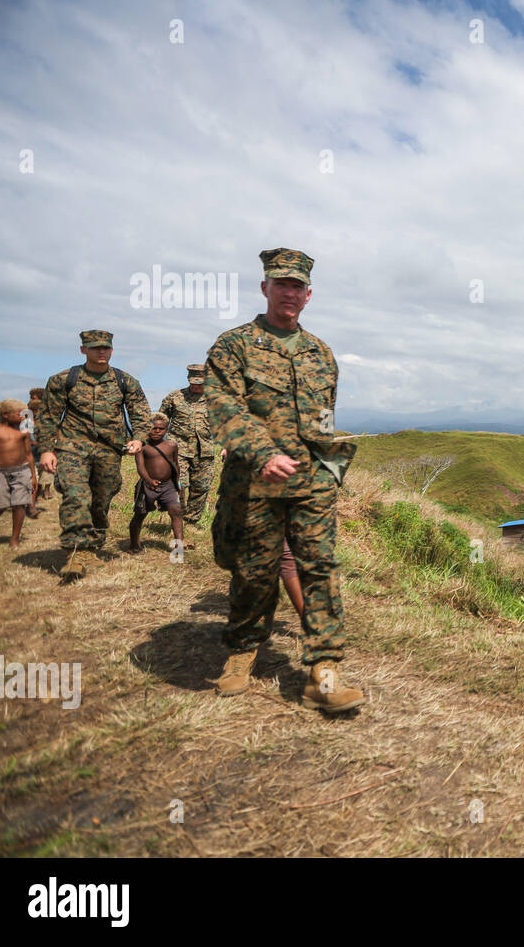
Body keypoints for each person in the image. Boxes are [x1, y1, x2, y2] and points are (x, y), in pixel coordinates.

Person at [205, 247, 362, 712]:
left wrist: (332, 469)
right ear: (265, 288)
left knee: (319, 566)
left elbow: (324, 415)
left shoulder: (320, 352)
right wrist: (262, 452)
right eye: (281, 284)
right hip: (255, 481)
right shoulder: (234, 345)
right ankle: (242, 651)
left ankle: (324, 670)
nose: (289, 292)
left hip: (312, 481)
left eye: (298, 286)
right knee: (255, 570)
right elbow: (225, 408)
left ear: (308, 294)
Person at [39, 330, 153, 578]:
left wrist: (139, 438)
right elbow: (48, 417)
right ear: (83, 350)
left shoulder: (125, 381)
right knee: (76, 495)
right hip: (72, 446)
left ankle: (95, 538)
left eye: (105, 348)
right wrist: (46, 450)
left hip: (109, 450)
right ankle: (76, 552)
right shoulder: (63, 380)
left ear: (111, 350)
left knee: (101, 502)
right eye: (94, 347)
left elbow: (141, 414)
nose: (101, 351)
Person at [159, 364, 216, 527]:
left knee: (201, 487)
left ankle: (191, 522)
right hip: (178, 450)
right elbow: (161, 420)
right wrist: (158, 444)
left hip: (205, 451)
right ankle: (177, 519)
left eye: (200, 383)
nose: (196, 386)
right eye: (194, 383)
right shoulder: (175, 397)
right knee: (179, 485)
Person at [0, 399, 37, 548]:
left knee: (19, 504)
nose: (23, 417)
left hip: (22, 471)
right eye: (19, 414)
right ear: (5, 415)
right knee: (0, 506)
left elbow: (29, 454)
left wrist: (33, 476)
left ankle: (14, 539)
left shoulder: (23, 431)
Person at [127, 414, 184, 555]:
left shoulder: (171, 446)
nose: (157, 431)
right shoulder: (143, 447)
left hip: (168, 486)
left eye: (161, 428)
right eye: (154, 428)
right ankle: (134, 545)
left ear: (166, 429)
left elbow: (175, 465)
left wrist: (178, 484)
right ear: (147, 429)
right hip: (147, 486)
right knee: (140, 515)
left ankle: (179, 548)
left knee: (176, 511)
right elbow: (140, 467)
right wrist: (149, 480)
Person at [28, 387, 54, 505]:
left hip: (44, 447)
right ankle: (36, 493)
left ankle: (46, 490)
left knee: (47, 470)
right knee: (34, 472)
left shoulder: (48, 412)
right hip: (31, 450)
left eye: (33, 398)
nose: (31, 400)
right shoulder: (27, 415)